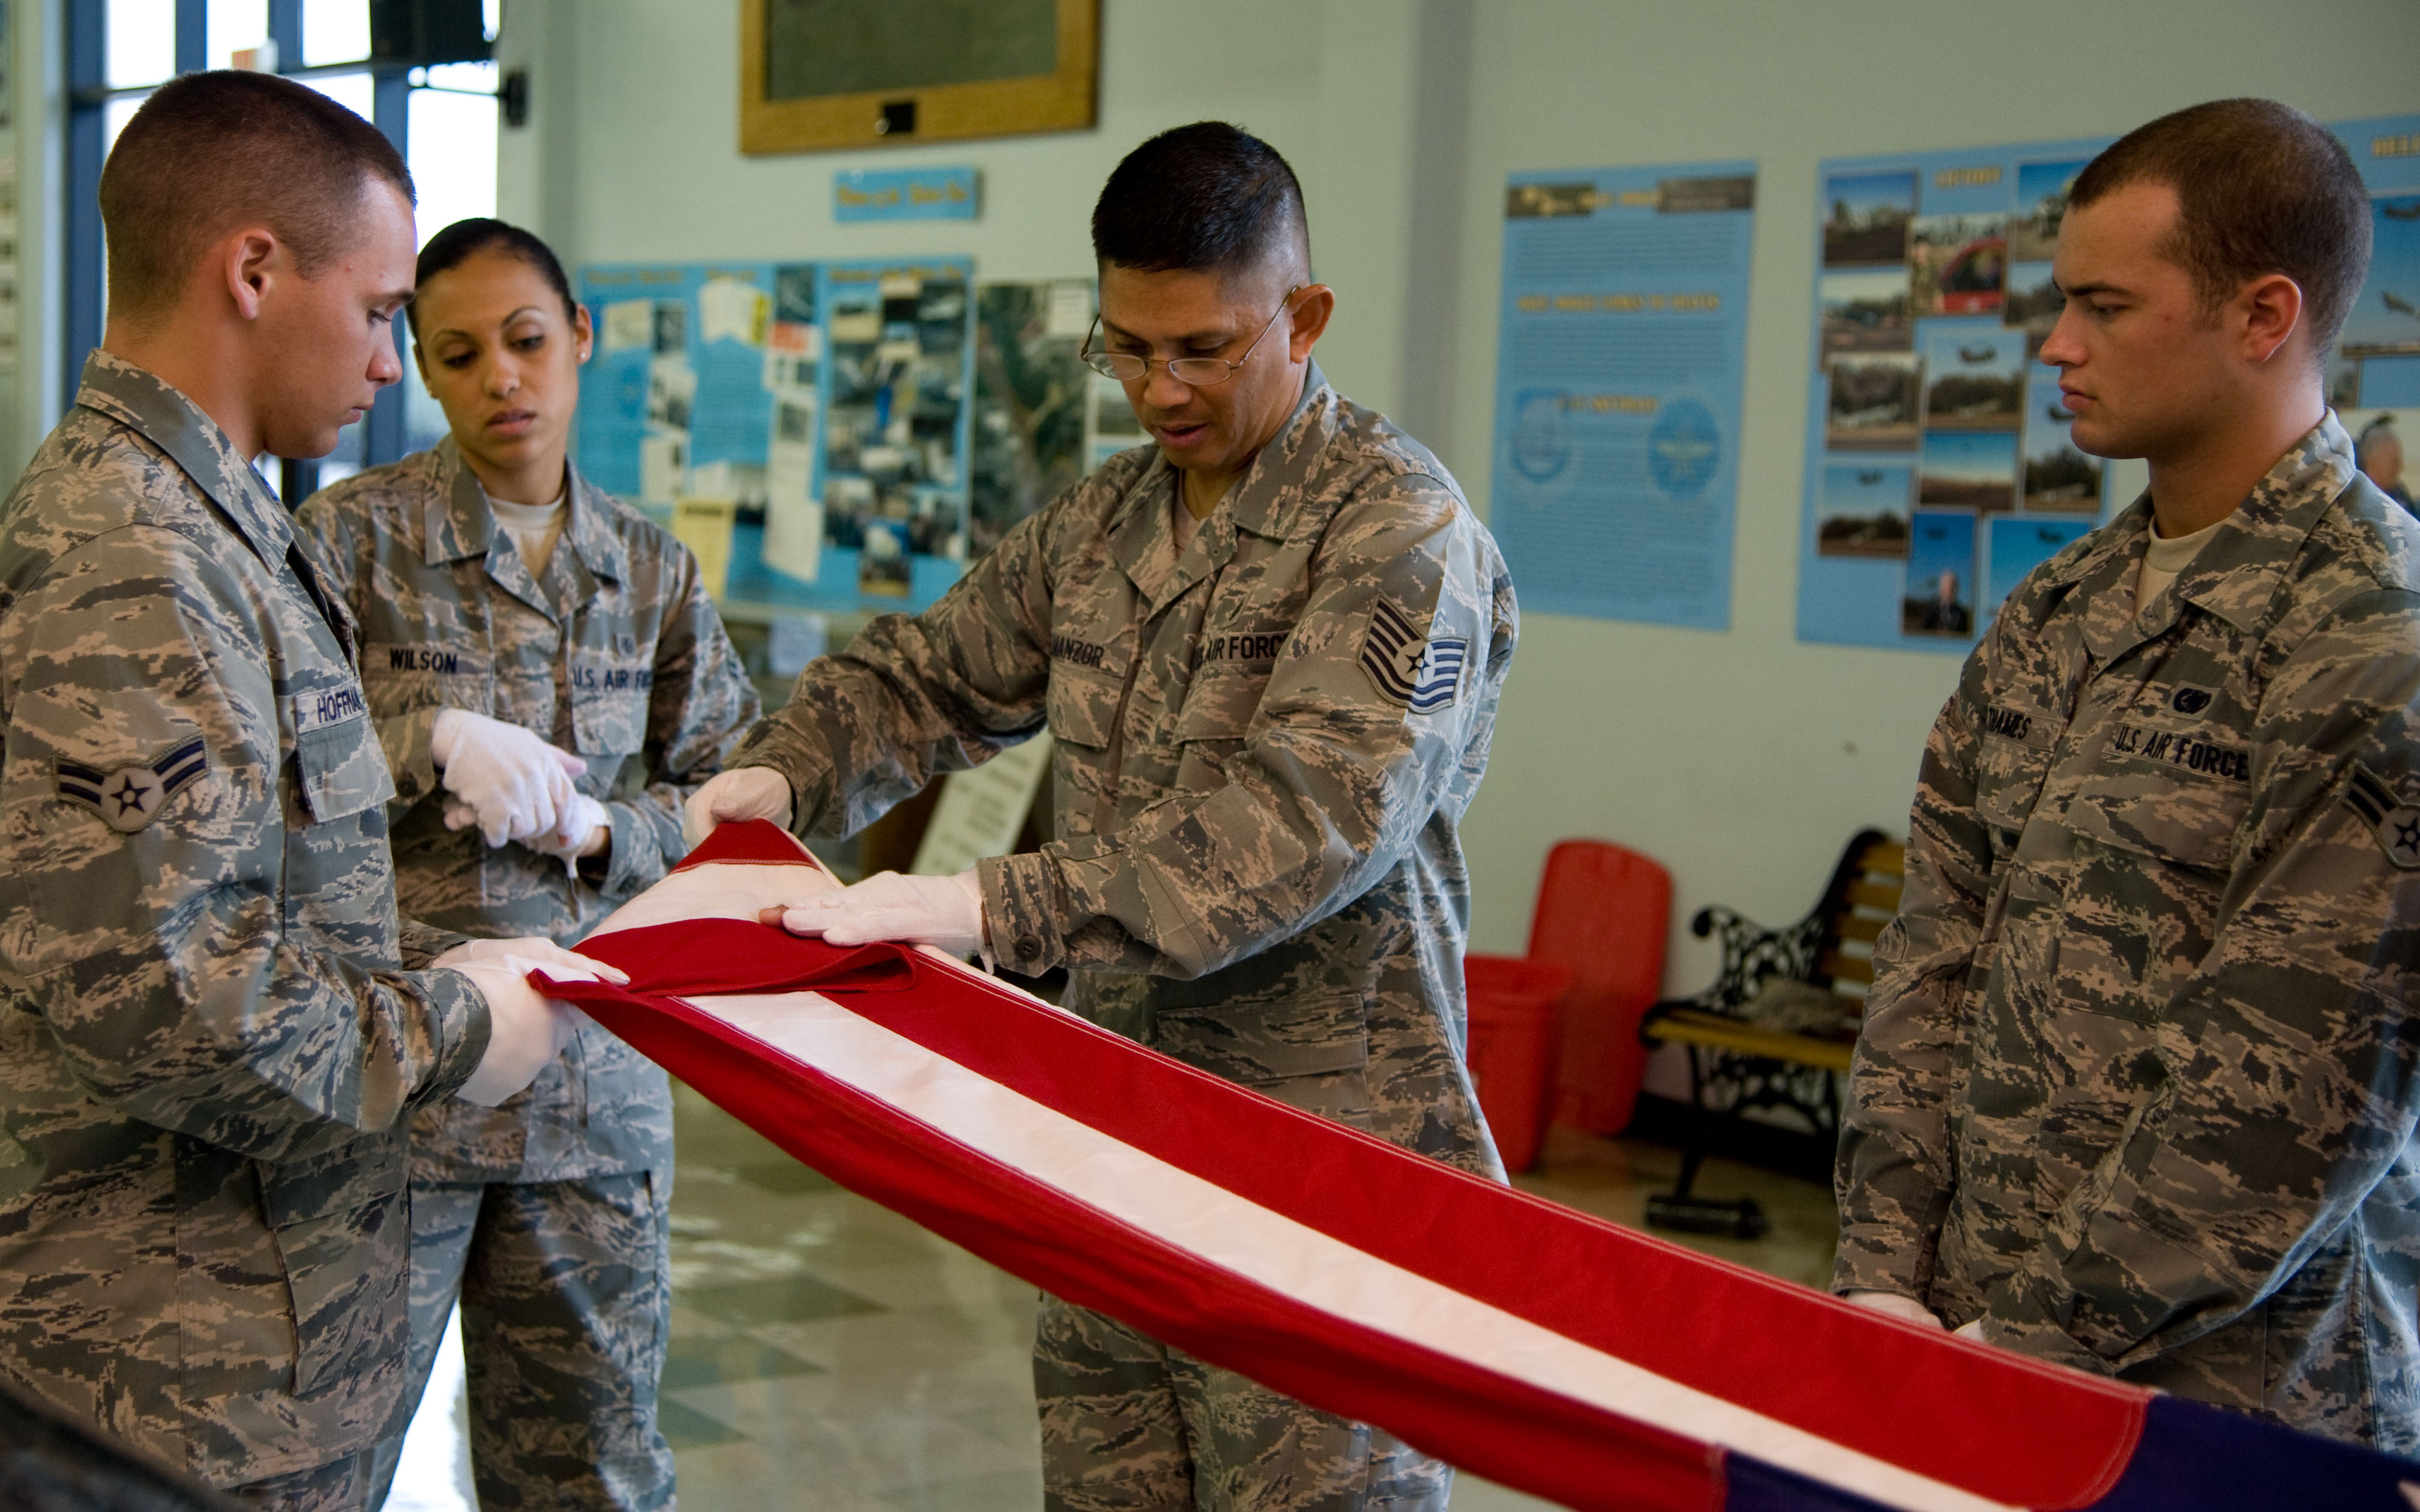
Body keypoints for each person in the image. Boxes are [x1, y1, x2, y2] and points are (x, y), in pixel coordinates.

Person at [685, 121, 1516, 1510]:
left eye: (1201, 347)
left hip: (1316, 1162)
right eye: (1126, 347)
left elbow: (1309, 819)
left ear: (1302, 317)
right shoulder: (1105, 521)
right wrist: (785, 774)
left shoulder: (1393, 528)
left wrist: (979, 905)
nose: (1158, 387)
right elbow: (929, 673)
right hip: (1116, 1143)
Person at [0, 71, 612, 1510]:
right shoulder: (132, 550)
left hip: (268, 1332)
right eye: (387, 311)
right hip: (164, 1370)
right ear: (255, 271)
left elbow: (259, 892)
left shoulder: (225, 527)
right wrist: (460, 1017)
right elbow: (167, 999)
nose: (396, 362)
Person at [1835, 97, 2420, 1451]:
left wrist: (2025, 1348)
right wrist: (1878, 1278)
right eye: (2061, 300)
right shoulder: (2062, 608)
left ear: (2264, 315)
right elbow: (1934, 954)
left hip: (2237, 1404)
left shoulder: (2371, 635)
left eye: (2104, 303)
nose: (2057, 344)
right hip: (1966, 1350)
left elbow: (2288, 1089)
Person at [295, 217, 760, 1512]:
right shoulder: (349, 546)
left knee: (591, 1470)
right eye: (459, 351)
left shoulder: (654, 573)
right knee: (325, 1457)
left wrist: (619, 831)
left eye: (527, 339)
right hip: (400, 1083)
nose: (503, 375)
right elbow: (268, 765)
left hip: (596, 1098)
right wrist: (420, 741)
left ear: (581, 341)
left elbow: (736, 805)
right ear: (425, 373)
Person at [2357, 413, 2415, 510]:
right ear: (2371, 463)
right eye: (2393, 461)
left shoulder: (2400, 496)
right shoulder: (2353, 499)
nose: (2400, 467)